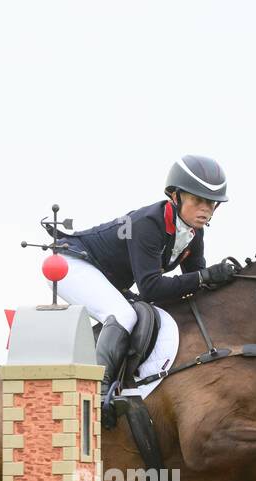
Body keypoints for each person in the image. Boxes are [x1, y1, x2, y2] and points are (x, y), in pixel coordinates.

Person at [54, 155, 238, 414]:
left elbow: (195, 284)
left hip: (106, 278)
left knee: (146, 315)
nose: (205, 209)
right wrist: (204, 277)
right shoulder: (148, 224)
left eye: (211, 203)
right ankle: (100, 392)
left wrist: (227, 283)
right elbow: (151, 288)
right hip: (71, 264)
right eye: (198, 200)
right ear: (175, 196)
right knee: (123, 315)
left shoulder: (195, 233)